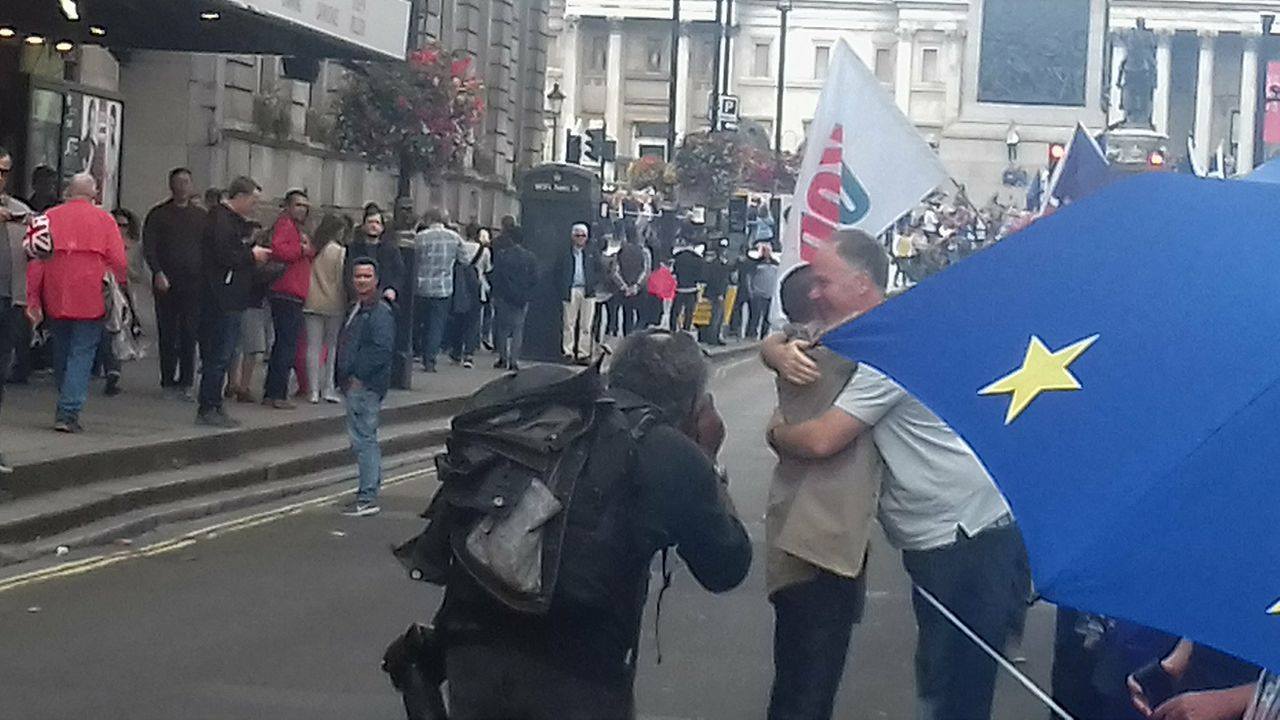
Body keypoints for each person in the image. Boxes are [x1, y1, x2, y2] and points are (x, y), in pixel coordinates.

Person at [764, 229, 1025, 720]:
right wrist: (773, 348)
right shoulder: (887, 331)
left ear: (862, 284)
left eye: (823, 281)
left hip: (960, 537)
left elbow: (822, 439)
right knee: (955, 677)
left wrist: (775, 432)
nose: (812, 293)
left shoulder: (893, 353)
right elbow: (796, 336)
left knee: (954, 684)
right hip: (964, 529)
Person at [434, 330, 752, 719]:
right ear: (690, 403)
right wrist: (707, 459)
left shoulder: (554, 415)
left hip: (473, 655)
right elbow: (727, 565)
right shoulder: (670, 452)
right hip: (577, 673)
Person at [765, 264, 883, 720]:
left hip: (798, 530)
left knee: (793, 678)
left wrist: (771, 348)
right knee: (810, 687)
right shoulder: (838, 350)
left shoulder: (796, 345)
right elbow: (820, 440)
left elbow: (776, 342)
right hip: (823, 540)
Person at [25, 173, 128, 433]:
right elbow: (119, 262)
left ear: (68, 191)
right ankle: (68, 411)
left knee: (61, 349)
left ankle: (66, 396)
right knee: (82, 351)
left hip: (56, 292)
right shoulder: (105, 220)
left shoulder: (47, 217)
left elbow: (36, 259)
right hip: (92, 294)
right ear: (93, 194)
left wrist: (33, 298)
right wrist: (119, 289)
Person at [197, 176, 271, 428]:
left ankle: (214, 405)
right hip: (222, 296)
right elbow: (224, 256)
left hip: (232, 295)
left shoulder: (231, 222)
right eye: (253, 201)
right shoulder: (220, 220)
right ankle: (208, 406)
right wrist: (251, 254)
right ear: (239, 197)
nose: (254, 207)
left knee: (224, 353)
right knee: (218, 354)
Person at [337, 257, 395, 517]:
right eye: (358, 276)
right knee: (363, 439)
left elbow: (381, 349)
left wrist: (357, 376)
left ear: (376, 280)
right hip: (355, 384)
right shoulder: (357, 307)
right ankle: (367, 492)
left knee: (364, 441)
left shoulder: (379, 311)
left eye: (366, 277)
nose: (361, 281)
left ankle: (367, 497)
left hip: (365, 385)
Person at [143, 167, 206, 400]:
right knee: (168, 332)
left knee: (190, 333)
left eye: (186, 182)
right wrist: (158, 272)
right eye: (178, 182)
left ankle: (187, 381)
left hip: (194, 284)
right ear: (171, 185)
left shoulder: (201, 217)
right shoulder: (158, 215)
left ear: (191, 185)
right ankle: (168, 379)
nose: (182, 186)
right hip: (166, 283)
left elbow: (207, 249)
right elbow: (149, 247)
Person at [262, 189, 314, 409]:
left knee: (284, 343)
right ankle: (277, 393)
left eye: (305, 206)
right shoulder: (285, 225)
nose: (302, 209)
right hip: (287, 291)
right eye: (298, 205)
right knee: (286, 344)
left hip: (292, 290)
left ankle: (273, 391)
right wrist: (301, 250)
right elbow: (279, 250)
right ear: (288, 206)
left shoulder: (296, 228)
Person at [0, 146, 32, 470]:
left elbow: (40, 249)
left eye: (5, 172)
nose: (1, 178)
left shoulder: (20, 210)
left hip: (10, 299)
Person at [304, 214, 350, 404]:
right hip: (334, 302)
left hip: (311, 300)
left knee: (312, 347)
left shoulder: (313, 249)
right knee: (330, 347)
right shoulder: (339, 251)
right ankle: (327, 387)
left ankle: (312, 390)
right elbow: (341, 278)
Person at [412, 209, 463, 373]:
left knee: (420, 322)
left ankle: (418, 350)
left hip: (421, 286)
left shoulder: (420, 237)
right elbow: (466, 259)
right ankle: (430, 359)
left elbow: (413, 258)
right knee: (436, 325)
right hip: (443, 288)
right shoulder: (454, 238)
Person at [488, 226, 537, 371]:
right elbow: (534, 278)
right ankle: (514, 360)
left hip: (504, 296)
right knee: (518, 329)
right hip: (522, 297)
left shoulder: (502, 256)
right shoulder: (530, 257)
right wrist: (527, 293)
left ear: (510, 239)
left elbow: (496, 276)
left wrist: (496, 294)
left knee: (502, 328)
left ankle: (503, 358)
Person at [445, 223, 489, 369]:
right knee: (473, 322)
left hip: (459, 287)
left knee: (458, 321)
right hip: (477, 288)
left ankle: (456, 352)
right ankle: (469, 354)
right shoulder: (484, 250)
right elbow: (487, 269)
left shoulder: (459, 246)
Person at [345, 204, 405, 307]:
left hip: (384, 299)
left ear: (382, 228)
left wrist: (393, 289)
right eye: (370, 222)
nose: (373, 225)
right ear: (363, 226)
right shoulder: (353, 248)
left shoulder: (391, 250)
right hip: (358, 300)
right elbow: (347, 273)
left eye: (377, 223)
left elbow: (399, 272)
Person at [556, 222, 600, 364]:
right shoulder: (565, 253)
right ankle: (568, 352)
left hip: (587, 291)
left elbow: (599, 269)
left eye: (583, 235)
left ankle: (583, 353)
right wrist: (563, 286)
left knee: (586, 324)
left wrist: (594, 283)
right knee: (569, 323)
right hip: (571, 289)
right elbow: (558, 271)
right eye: (577, 235)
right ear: (572, 237)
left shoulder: (592, 253)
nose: (580, 238)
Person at [615, 233, 650, 336]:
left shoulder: (621, 251)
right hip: (640, 290)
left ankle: (628, 338)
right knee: (642, 316)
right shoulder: (643, 252)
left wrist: (624, 286)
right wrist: (637, 285)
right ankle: (637, 335)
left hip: (625, 289)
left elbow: (615, 271)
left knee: (627, 316)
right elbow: (646, 270)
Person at [701, 240, 733, 346]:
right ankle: (712, 338)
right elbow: (717, 280)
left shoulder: (720, 263)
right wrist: (720, 293)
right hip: (716, 294)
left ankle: (715, 336)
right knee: (716, 316)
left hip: (719, 293)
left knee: (719, 316)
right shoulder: (717, 264)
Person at [746, 244, 780, 340]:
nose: (766, 252)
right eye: (764, 250)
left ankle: (764, 335)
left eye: (768, 250)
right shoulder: (756, 263)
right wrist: (751, 290)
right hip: (758, 293)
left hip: (770, 294)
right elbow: (749, 277)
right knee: (755, 316)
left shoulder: (775, 263)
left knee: (767, 317)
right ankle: (751, 334)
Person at [670, 241, 703, 333]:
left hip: (679, 289)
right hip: (692, 289)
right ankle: (685, 331)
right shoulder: (697, 258)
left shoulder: (677, 257)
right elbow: (700, 276)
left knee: (675, 312)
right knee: (689, 313)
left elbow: (673, 272)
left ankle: (673, 330)